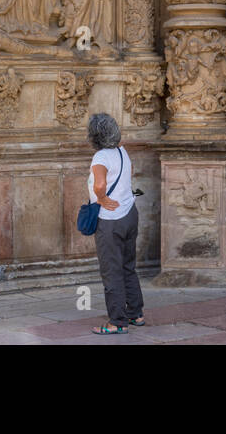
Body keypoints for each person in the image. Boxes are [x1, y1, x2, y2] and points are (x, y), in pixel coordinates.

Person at [85, 112, 142, 335]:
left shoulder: (100, 157)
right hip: (129, 214)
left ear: (94, 135)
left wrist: (101, 198)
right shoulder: (122, 151)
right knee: (128, 266)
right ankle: (136, 313)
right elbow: (129, 173)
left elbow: (100, 185)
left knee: (111, 270)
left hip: (110, 220)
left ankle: (117, 321)